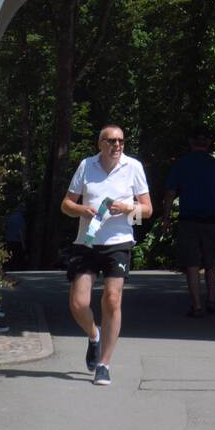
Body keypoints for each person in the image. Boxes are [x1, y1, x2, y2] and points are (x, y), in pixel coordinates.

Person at [61, 126, 152, 386]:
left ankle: (104, 364)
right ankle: (94, 335)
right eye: (111, 140)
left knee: (112, 300)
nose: (117, 145)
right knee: (78, 304)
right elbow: (66, 205)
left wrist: (128, 208)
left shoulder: (132, 167)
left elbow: (146, 210)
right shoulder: (86, 166)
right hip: (87, 240)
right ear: (100, 143)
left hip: (118, 242)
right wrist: (82, 209)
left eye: (121, 141)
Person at [162, 128, 215, 317]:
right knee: (211, 262)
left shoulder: (181, 164)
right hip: (211, 219)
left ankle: (196, 305)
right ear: (208, 143)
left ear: (190, 142)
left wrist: (166, 217)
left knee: (192, 264)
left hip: (188, 220)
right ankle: (211, 299)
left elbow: (170, 193)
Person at [4, 202, 27, 270]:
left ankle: (9, 268)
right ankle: (16, 269)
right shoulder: (20, 219)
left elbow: (6, 228)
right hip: (17, 241)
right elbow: (21, 232)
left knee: (10, 256)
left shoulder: (10, 218)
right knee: (17, 257)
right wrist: (23, 245)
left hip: (9, 240)